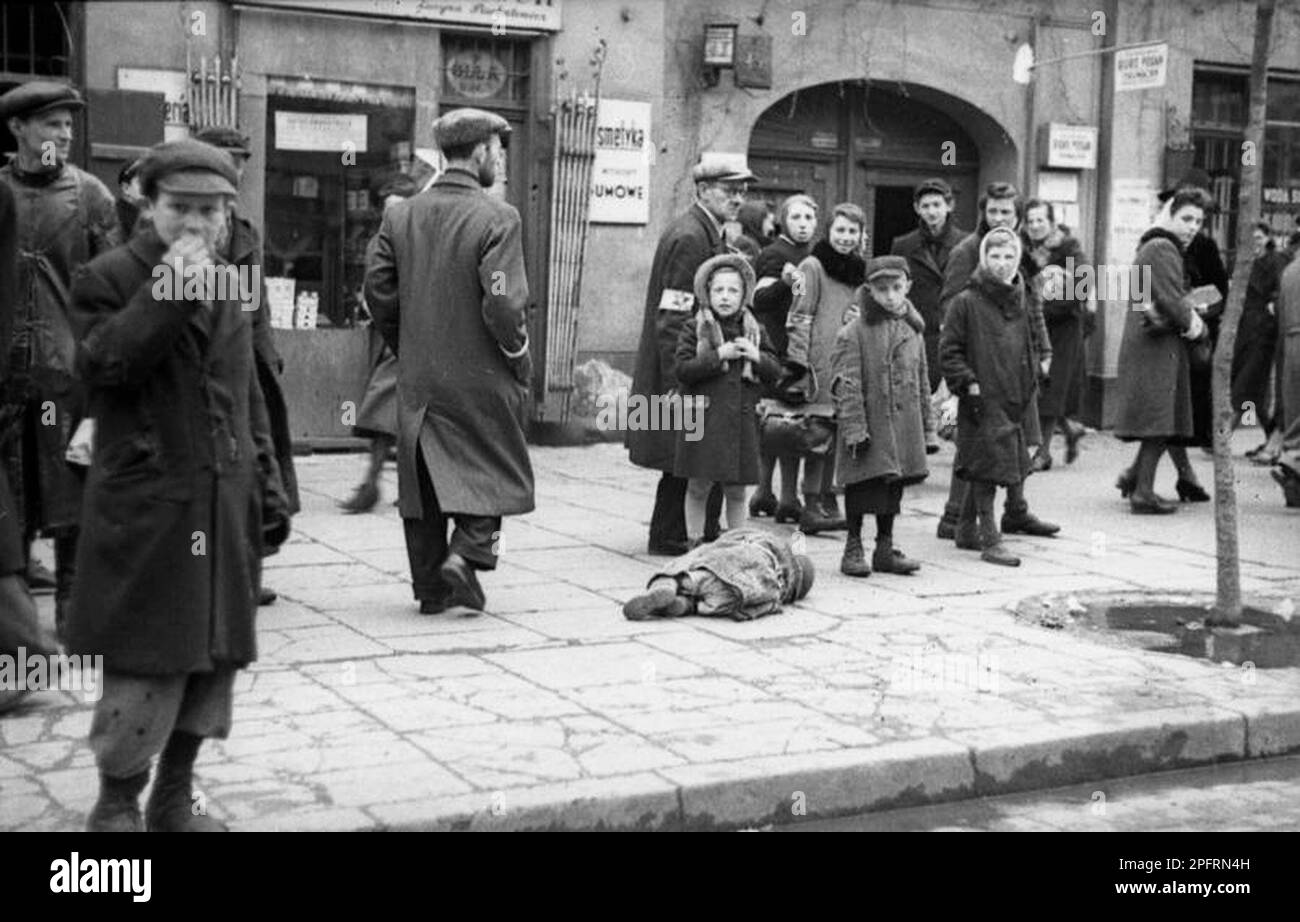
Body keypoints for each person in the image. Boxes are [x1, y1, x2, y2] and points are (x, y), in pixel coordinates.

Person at [67, 138, 289, 831]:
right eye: (180, 209)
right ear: (148, 205)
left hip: (223, 498)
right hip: (149, 506)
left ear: (228, 215)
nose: (196, 225)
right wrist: (168, 292)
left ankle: (173, 796)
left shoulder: (229, 279)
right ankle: (116, 805)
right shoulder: (107, 276)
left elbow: (243, 382)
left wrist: (267, 479)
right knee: (146, 666)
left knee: (212, 663)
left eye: (211, 212)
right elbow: (104, 368)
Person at [366, 108, 534, 615]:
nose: (500, 160)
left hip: (418, 375)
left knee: (420, 483)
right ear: (481, 151)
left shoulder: (401, 214)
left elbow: (377, 289)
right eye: (498, 150)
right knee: (493, 466)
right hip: (481, 372)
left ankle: (429, 590)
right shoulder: (498, 217)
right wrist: (516, 351)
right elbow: (503, 298)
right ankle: (467, 556)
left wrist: (407, 342)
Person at [0, 81, 119, 639]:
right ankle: (19, 634)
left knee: (74, 493)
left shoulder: (92, 196)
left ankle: (76, 618)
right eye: (51, 124)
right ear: (18, 130)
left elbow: (114, 286)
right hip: (6, 378)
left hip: (69, 376)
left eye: (69, 125)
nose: (64, 135)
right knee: (10, 505)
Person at [194, 125, 300, 606]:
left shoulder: (244, 230)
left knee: (258, 466)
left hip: (248, 361)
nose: (235, 169)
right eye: (226, 159)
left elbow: (256, 302)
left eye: (240, 161)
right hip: (202, 363)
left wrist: (268, 352)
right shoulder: (189, 223)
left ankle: (248, 571)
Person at [627, 152, 752, 555]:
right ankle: (673, 535)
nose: (737, 198)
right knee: (688, 454)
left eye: (742, 190)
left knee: (699, 454)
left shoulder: (707, 232)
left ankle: (699, 531)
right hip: (688, 373)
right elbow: (675, 318)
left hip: (701, 370)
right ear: (702, 190)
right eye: (728, 190)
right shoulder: (691, 237)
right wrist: (678, 382)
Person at [934, 181, 1058, 542]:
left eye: (1007, 212)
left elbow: (1032, 309)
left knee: (1014, 440)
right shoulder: (969, 251)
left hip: (1015, 365)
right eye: (993, 211)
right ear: (983, 214)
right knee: (979, 446)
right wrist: (964, 373)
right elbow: (952, 311)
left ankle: (1016, 511)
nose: (1000, 218)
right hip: (981, 366)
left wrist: (1044, 351)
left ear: (1017, 217)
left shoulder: (1022, 254)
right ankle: (956, 517)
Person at [939, 228, 1040, 566]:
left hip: (1013, 394)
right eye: (994, 256)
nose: (1001, 264)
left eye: (1009, 256)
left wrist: (1034, 373)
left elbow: (1032, 337)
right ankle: (991, 537)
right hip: (981, 395)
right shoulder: (966, 301)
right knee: (988, 465)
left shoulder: (1020, 297)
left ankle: (966, 528)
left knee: (990, 459)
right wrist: (966, 383)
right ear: (983, 258)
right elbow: (949, 350)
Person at [832, 256, 937, 577]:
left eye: (896, 288)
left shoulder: (912, 331)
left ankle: (884, 546)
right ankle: (853, 545)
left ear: (908, 287)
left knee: (893, 487)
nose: (890, 296)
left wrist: (928, 428)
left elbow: (922, 381)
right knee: (861, 485)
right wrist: (854, 428)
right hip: (868, 424)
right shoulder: (854, 331)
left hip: (903, 426)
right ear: (869, 290)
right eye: (882, 289)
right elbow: (845, 384)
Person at [1112, 187, 1215, 514]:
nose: (1193, 226)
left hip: (1151, 343)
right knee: (1159, 421)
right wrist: (1199, 326)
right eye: (1186, 218)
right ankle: (1143, 493)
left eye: (1199, 221)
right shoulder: (1162, 248)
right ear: (1170, 215)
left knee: (1158, 421)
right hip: (1157, 347)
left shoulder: (1154, 245)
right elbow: (1171, 299)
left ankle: (1136, 480)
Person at [672, 254, 780, 546]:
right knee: (698, 485)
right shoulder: (693, 328)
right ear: (707, 293)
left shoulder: (755, 330)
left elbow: (774, 372)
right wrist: (718, 355)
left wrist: (756, 356)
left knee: (736, 490)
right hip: (703, 421)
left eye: (733, 290)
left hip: (740, 423)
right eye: (718, 290)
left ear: (744, 294)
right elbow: (683, 370)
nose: (725, 297)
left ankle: (736, 544)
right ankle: (694, 541)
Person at [785, 202, 868, 533]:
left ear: (861, 236)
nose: (846, 238)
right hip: (817, 363)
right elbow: (798, 316)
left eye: (852, 232)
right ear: (829, 231)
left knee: (836, 434)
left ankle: (826, 496)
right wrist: (797, 363)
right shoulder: (810, 267)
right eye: (840, 230)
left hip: (845, 364)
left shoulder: (860, 272)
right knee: (816, 436)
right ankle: (810, 503)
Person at [340, 173, 421, 513]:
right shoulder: (383, 240)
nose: (392, 216)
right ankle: (389, 485)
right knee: (393, 414)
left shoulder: (420, 242)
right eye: (388, 210)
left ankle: (376, 484)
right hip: (390, 334)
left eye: (399, 209)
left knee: (391, 412)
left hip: (413, 336)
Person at [748, 193, 819, 519]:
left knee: (790, 422)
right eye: (796, 218)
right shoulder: (775, 254)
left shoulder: (813, 254)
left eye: (809, 218)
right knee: (781, 422)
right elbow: (759, 299)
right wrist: (785, 283)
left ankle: (774, 494)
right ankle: (775, 493)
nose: (803, 224)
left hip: (803, 347)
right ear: (784, 221)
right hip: (779, 346)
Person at [622, 526, 814, 622]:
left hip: (721, 562)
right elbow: (766, 605)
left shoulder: (758, 539)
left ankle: (670, 583)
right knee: (713, 597)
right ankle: (688, 605)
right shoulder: (778, 585)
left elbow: (724, 540)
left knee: (691, 566)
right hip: (735, 593)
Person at [1022, 199, 1090, 470]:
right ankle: (1070, 428)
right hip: (1035, 328)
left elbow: (1083, 286)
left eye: (1041, 220)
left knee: (1051, 387)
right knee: (1038, 385)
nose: (1035, 226)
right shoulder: (1024, 249)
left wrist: (1046, 309)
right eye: (1030, 221)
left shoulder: (1068, 248)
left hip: (1062, 328)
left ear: (1051, 222)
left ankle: (1043, 452)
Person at [890, 178, 966, 392]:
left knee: (950, 408)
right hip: (917, 333)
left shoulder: (967, 244)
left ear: (949, 206)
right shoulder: (903, 245)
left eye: (937, 205)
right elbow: (895, 288)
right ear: (917, 209)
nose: (932, 212)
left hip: (954, 336)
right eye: (926, 206)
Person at [1232, 222, 1285, 440]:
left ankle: (1221, 438)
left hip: (1263, 331)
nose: (1255, 244)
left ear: (1268, 239)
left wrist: (1273, 304)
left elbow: (1280, 290)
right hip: (1245, 329)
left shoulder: (1275, 262)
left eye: (1259, 238)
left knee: (1244, 385)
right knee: (1255, 389)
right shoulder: (1245, 262)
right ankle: (1272, 437)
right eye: (1251, 239)